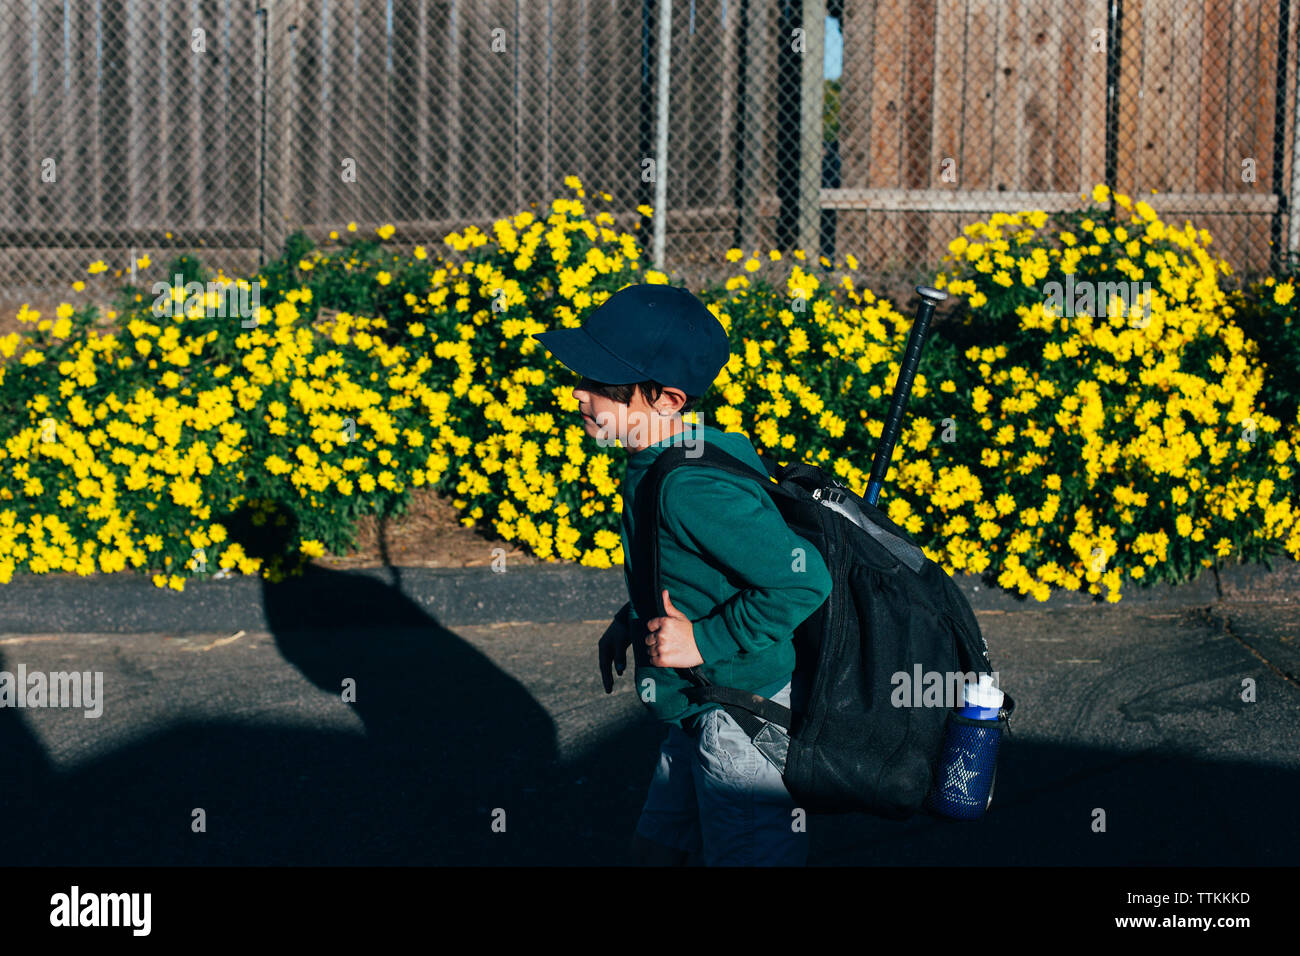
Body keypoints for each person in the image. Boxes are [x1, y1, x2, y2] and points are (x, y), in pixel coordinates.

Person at [532, 284, 832, 866]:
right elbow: (690, 569)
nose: (578, 393)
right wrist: (633, 617)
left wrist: (703, 639)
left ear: (666, 399)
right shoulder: (670, 458)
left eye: (600, 384)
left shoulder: (692, 486)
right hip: (697, 706)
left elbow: (803, 580)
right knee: (654, 852)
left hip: (740, 720)